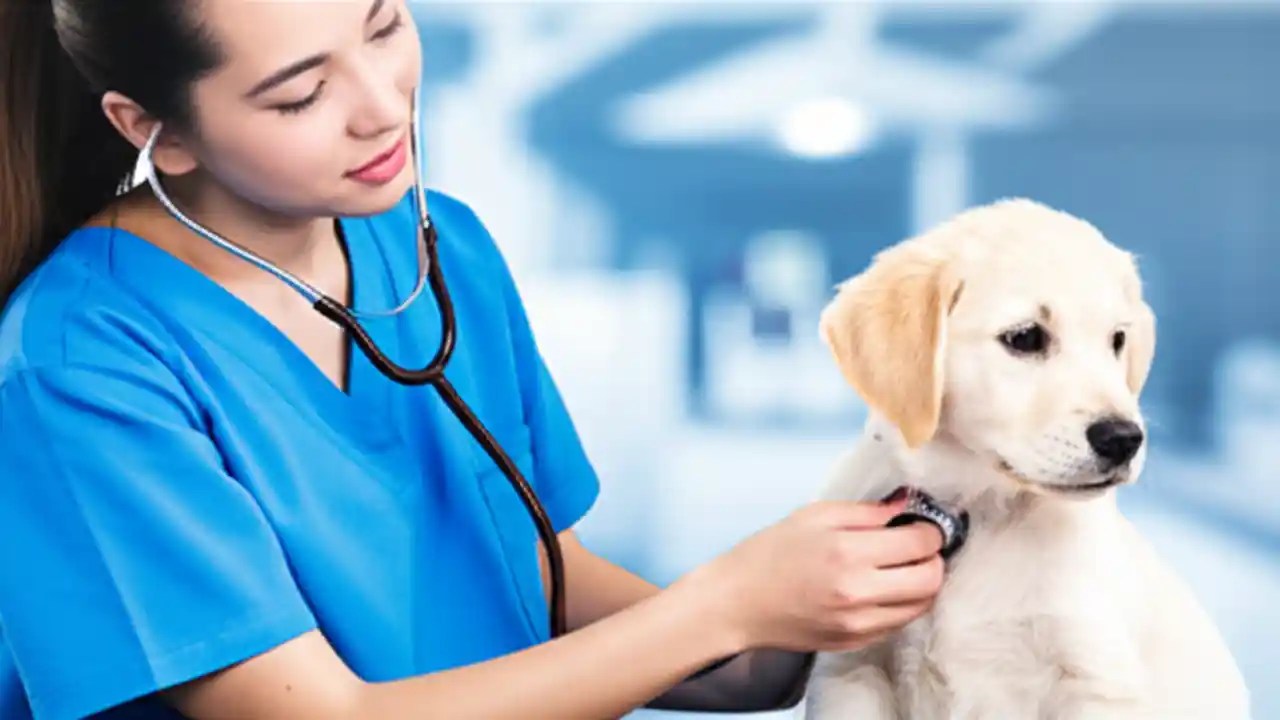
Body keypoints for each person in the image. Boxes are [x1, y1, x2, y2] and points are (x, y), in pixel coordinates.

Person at [0, 2, 947, 718]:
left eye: (382, 27)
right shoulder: (78, 362)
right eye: (301, 94)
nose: (383, 108)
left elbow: (536, 572)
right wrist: (721, 611)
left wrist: (765, 644)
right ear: (148, 130)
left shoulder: (439, 247)